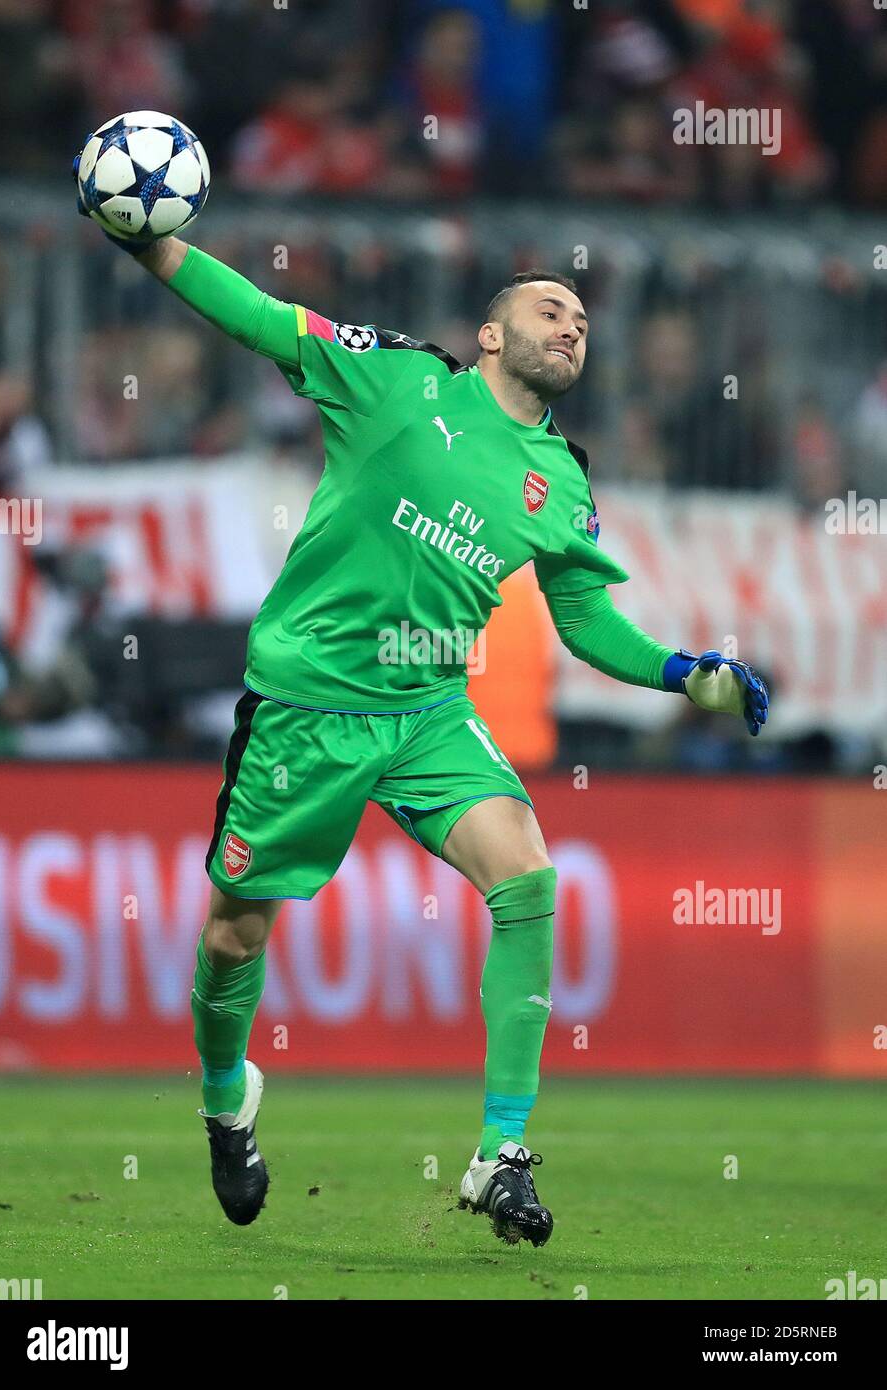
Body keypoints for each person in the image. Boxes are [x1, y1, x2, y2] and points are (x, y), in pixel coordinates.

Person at [74, 168, 769, 1247]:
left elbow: (586, 626)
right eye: (548, 309)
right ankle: (225, 1097)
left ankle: (500, 1154)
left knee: (530, 878)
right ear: (490, 336)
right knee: (233, 930)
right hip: (310, 704)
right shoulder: (395, 378)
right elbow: (256, 315)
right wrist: (150, 246)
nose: (570, 326)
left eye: (582, 319)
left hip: (428, 710)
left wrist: (686, 673)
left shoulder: (563, 480)